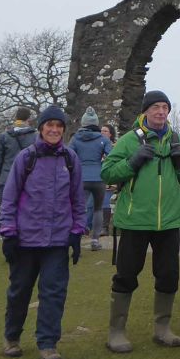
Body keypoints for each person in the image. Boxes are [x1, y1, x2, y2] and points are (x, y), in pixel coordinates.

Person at [100, 90, 180, 353]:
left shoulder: (176, 139)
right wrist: (132, 162)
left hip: (167, 221)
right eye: (155, 107)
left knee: (168, 276)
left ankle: (162, 328)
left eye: (165, 107)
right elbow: (107, 171)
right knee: (126, 276)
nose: (161, 112)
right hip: (133, 220)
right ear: (144, 111)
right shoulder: (130, 140)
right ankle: (116, 332)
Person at [0, 105, 86, 359]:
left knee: (53, 293)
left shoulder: (71, 160)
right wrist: (8, 232)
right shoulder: (26, 158)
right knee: (19, 291)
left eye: (59, 126)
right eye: (50, 125)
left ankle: (48, 344)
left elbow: (78, 200)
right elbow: (10, 198)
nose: (54, 130)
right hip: (25, 239)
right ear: (41, 128)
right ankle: (11, 337)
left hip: (57, 241)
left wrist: (77, 232)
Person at [70, 107, 112, 251]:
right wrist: (102, 165)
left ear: (83, 123)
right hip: (99, 177)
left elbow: (68, 158)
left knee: (79, 210)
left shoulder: (75, 139)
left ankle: (77, 241)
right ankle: (95, 241)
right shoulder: (103, 139)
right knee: (98, 209)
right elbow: (111, 156)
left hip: (80, 177)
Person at [0, 107, 36, 208]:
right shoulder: (36, 137)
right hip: (29, 181)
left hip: (6, 180)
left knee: (7, 214)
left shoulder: (3, 137)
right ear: (29, 119)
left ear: (16, 118)